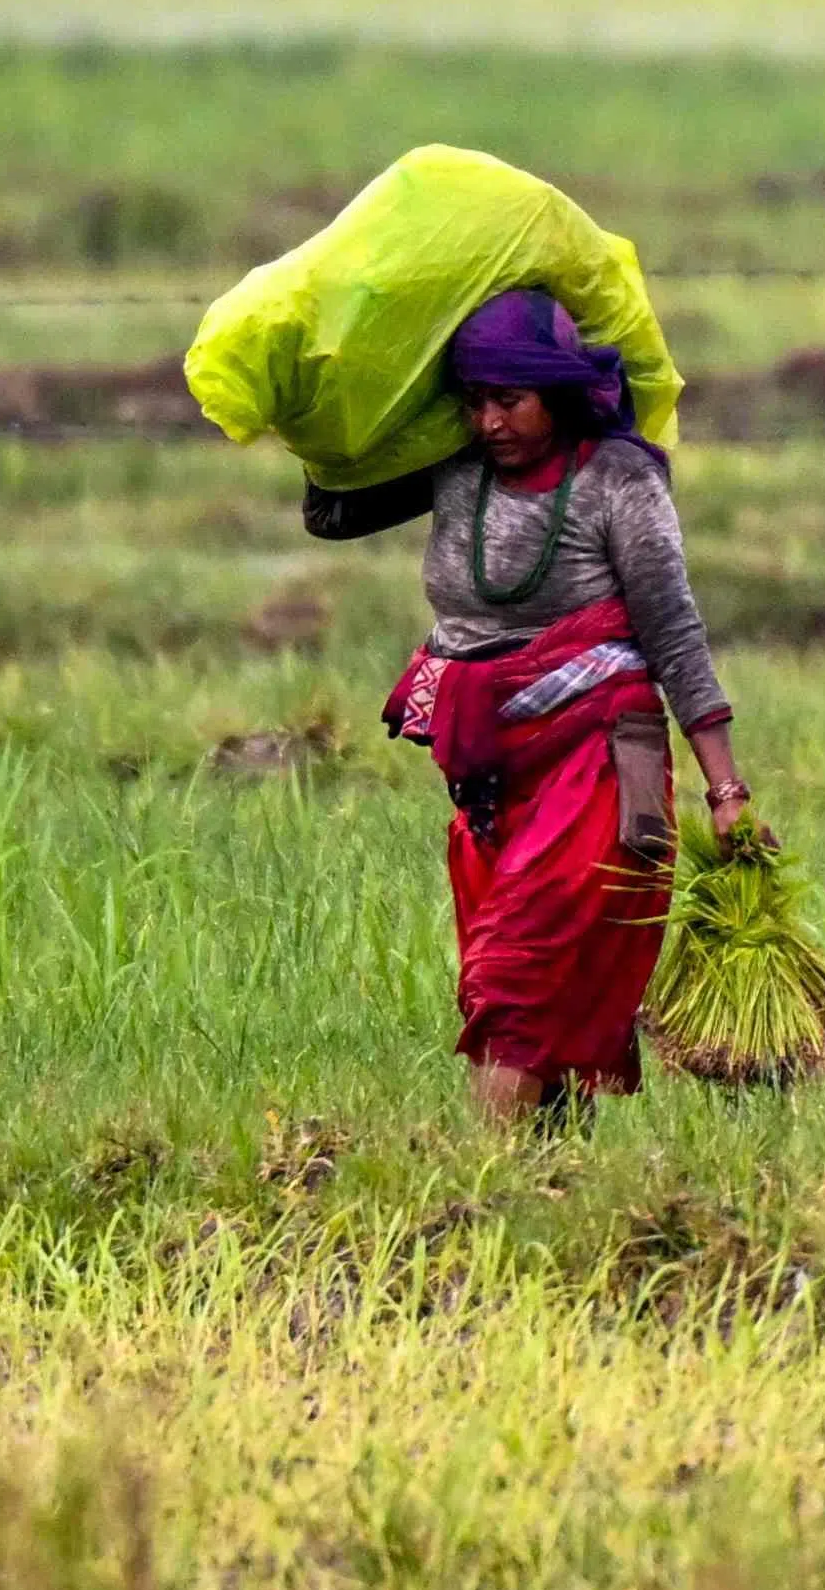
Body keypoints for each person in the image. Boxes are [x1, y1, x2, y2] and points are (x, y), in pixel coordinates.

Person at [306, 284, 754, 1118]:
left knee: (519, 976)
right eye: (473, 403)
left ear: (555, 393)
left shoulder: (617, 481)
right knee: (524, 994)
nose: (490, 423)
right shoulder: (455, 469)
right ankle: (548, 1198)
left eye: (509, 402)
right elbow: (330, 513)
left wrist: (725, 791)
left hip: (595, 760)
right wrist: (322, 407)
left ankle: (478, 1199)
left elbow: (674, 634)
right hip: (487, 771)